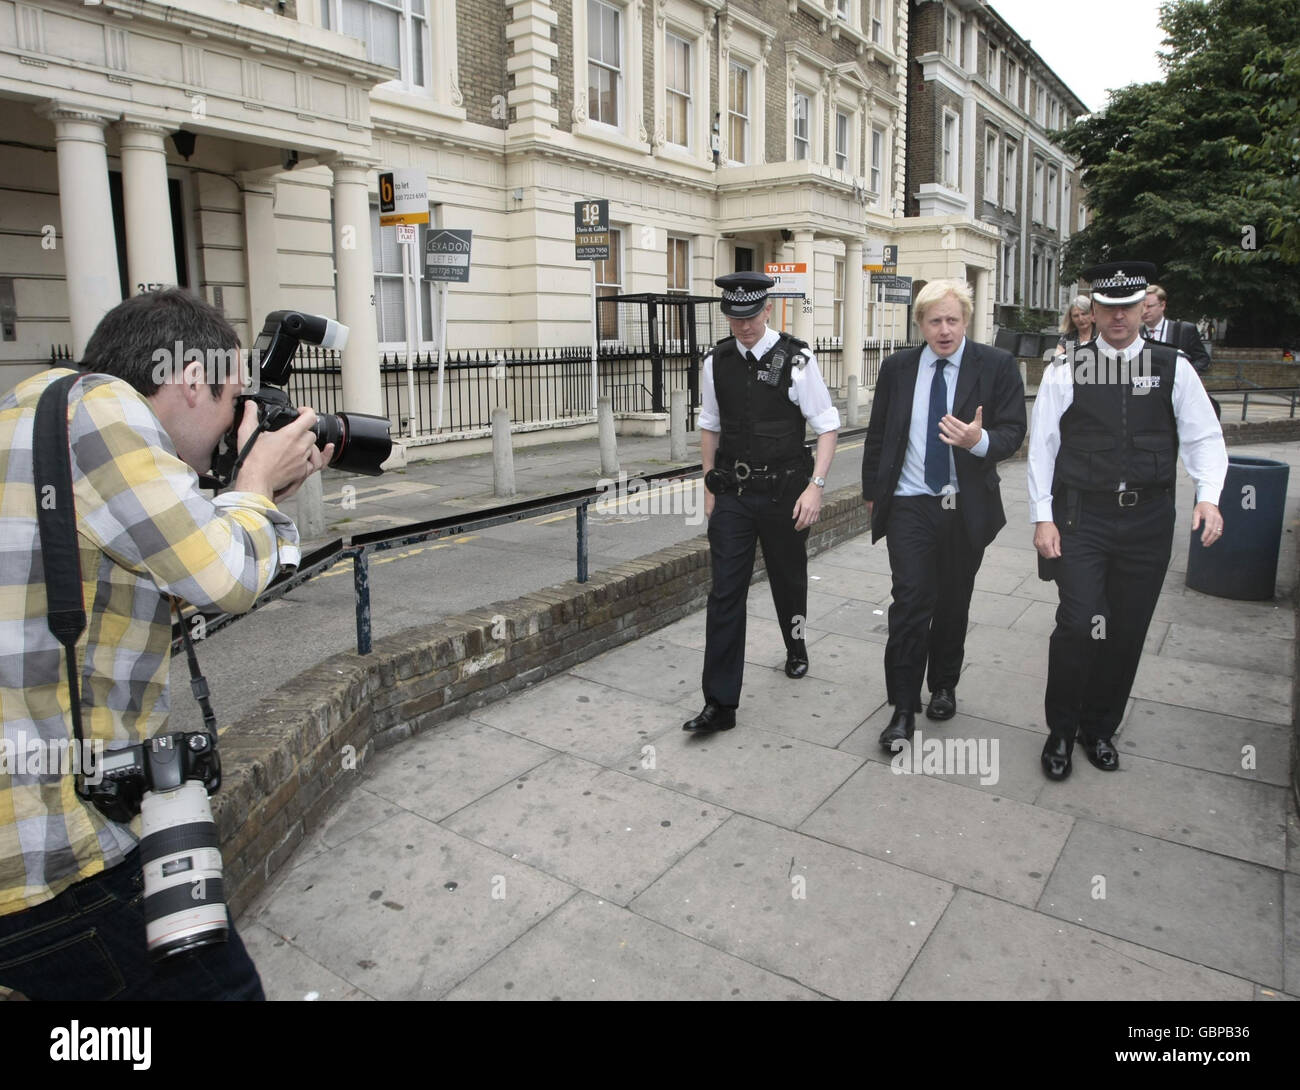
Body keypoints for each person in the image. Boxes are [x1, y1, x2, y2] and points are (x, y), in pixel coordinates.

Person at [0, 289, 331, 999]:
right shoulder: (102, 411)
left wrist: (254, 496)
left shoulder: (33, 412)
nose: (234, 425)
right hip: (57, 851)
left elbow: (160, 572)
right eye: (233, 401)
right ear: (191, 379)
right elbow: (223, 578)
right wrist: (254, 485)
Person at [1030, 262, 1227, 781]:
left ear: (1144, 309)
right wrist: (1042, 517)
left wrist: (1209, 496)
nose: (1118, 316)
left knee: (1125, 630)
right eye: (1108, 307)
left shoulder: (1173, 367)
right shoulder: (1068, 367)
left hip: (1148, 522)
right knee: (1078, 624)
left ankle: (1099, 728)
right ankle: (1060, 729)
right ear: (1093, 311)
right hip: (1082, 519)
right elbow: (1043, 448)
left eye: (1128, 307)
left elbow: (1204, 435)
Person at [861, 279, 1027, 750]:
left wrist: (979, 441)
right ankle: (901, 707)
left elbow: (1014, 430)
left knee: (954, 601)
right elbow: (879, 434)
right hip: (910, 503)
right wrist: (873, 491)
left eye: (953, 320)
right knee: (911, 601)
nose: (945, 330)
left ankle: (944, 685)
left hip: (964, 505)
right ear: (920, 324)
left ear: (966, 320)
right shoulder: (897, 368)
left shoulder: (996, 365)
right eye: (934, 321)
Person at [682, 272, 839, 733]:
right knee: (724, 593)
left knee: (788, 579)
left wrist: (816, 486)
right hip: (733, 493)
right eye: (735, 318)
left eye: (751, 316)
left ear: (767, 310)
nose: (744, 326)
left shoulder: (797, 359)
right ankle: (720, 704)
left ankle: (795, 644)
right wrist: (708, 486)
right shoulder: (716, 361)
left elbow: (827, 426)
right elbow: (710, 425)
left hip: (785, 493)